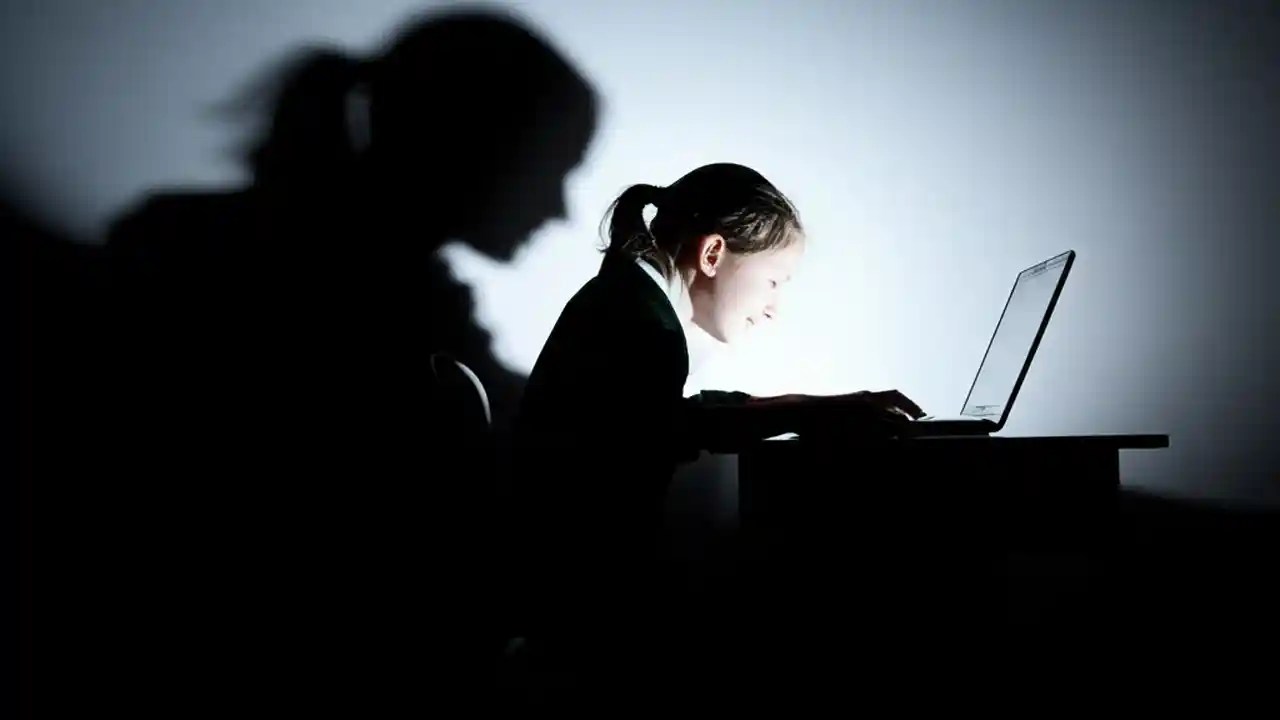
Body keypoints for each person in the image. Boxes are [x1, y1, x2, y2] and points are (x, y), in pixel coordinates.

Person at [505, 162, 924, 707]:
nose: (775, 306)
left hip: (568, 590)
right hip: (579, 609)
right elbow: (673, 426)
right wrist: (808, 411)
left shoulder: (629, 300)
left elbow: (664, 417)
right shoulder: (644, 323)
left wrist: (806, 408)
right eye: (774, 281)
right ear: (711, 255)